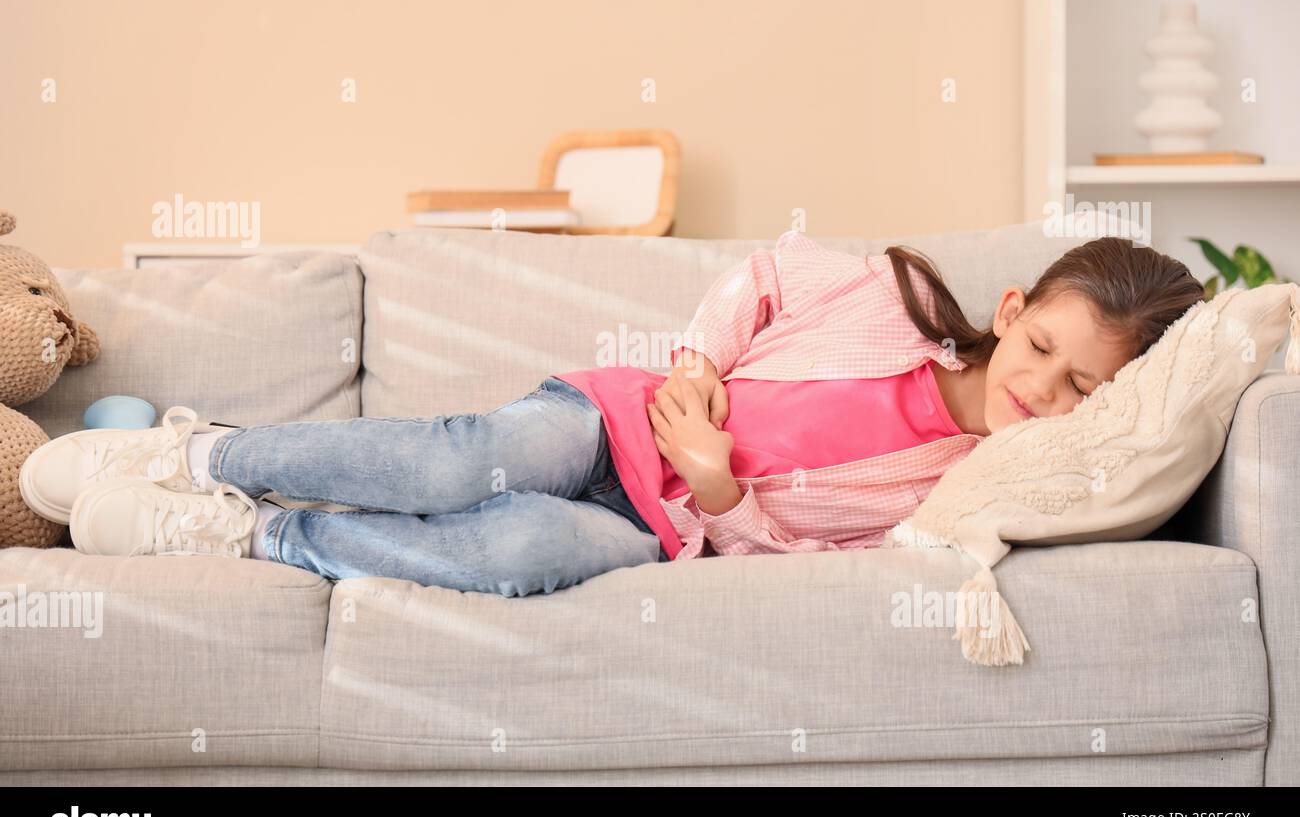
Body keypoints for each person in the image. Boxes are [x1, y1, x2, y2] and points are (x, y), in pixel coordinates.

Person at [20, 230, 1206, 595]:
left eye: (1081, 390)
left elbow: (800, 548)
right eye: (1041, 347)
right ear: (1013, 307)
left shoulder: (953, 485)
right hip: (614, 422)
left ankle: (254, 533)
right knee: (477, 459)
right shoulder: (883, 297)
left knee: (529, 547)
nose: (1038, 389)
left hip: (668, 523)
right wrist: (694, 367)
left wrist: (727, 491)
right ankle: (203, 448)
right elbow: (765, 276)